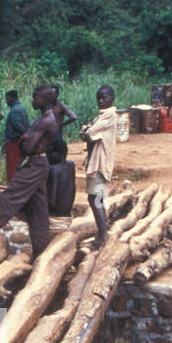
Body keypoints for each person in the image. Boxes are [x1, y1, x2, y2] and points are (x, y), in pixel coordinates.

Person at [0, 85, 62, 259]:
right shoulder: (43, 118)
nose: (32, 100)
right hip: (37, 163)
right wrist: (27, 138)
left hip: (35, 164)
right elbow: (28, 140)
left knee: (6, 199)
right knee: (38, 213)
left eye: (35, 97)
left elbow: (29, 146)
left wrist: (25, 139)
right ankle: (42, 254)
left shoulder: (47, 120)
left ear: (46, 100)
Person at [81, 85, 119, 245]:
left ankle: (103, 235)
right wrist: (86, 131)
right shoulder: (103, 115)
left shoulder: (109, 115)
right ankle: (102, 231)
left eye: (105, 98)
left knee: (94, 198)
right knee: (98, 198)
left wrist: (86, 130)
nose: (101, 101)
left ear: (112, 98)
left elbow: (88, 133)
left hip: (99, 164)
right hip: (98, 162)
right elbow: (87, 133)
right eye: (99, 98)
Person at [2, 89, 30, 182]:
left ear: (12, 98)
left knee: (12, 165)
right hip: (19, 142)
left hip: (14, 142)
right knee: (17, 164)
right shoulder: (21, 108)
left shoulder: (14, 110)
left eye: (7, 99)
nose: (6, 101)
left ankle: (12, 187)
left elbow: (16, 124)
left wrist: (24, 135)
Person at [46, 138, 76, 218]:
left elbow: (52, 202)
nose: (47, 157)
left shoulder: (54, 169)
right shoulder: (71, 165)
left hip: (55, 213)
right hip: (67, 212)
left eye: (49, 153)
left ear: (59, 154)